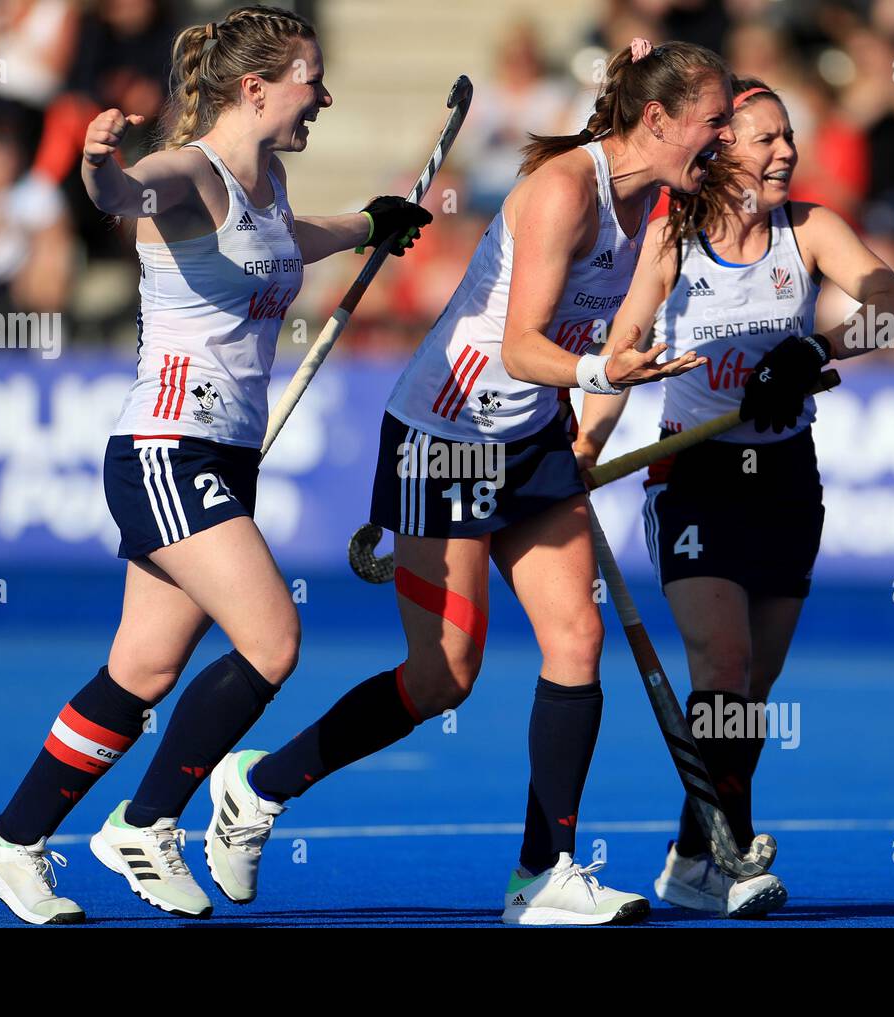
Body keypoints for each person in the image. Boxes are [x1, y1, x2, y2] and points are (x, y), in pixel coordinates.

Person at [211, 37, 728, 927]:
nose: (720, 138)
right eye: (713, 121)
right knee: (442, 677)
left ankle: (543, 873)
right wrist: (606, 374)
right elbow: (526, 345)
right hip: (445, 437)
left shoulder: (661, 210)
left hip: (532, 436)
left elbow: (626, 330)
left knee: (577, 637)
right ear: (658, 118)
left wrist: (599, 407)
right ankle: (256, 785)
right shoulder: (566, 189)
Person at [0, 4, 431, 925]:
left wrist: (371, 223)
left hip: (223, 451)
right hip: (166, 448)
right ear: (255, 88)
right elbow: (119, 195)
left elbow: (282, 245)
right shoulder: (188, 172)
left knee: (139, 670)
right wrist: (97, 159)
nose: (322, 94)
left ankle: (9, 840)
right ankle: (150, 821)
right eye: (308, 78)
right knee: (271, 640)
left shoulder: (272, 178)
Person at [574, 76, 894, 917]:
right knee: (722, 670)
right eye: (766, 139)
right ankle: (733, 852)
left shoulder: (809, 230)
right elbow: (622, 354)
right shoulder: (671, 241)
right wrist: (583, 447)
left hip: (788, 478)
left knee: (749, 697)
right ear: (721, 150)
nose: (786, 152)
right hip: (694, 479)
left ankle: (693, 856)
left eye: (790, 137)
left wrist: (810, 348)